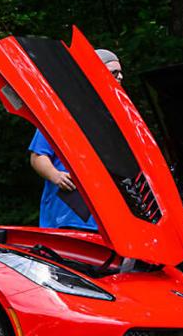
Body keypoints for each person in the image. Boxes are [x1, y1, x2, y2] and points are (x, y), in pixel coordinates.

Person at [28, 47, 122, 230]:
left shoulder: (117, 117)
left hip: (106, 221)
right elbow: (38, 156)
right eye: (114, 72)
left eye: (121, 73)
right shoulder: (62, 112)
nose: (120, 78)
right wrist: (56, 176)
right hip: (66, 217)